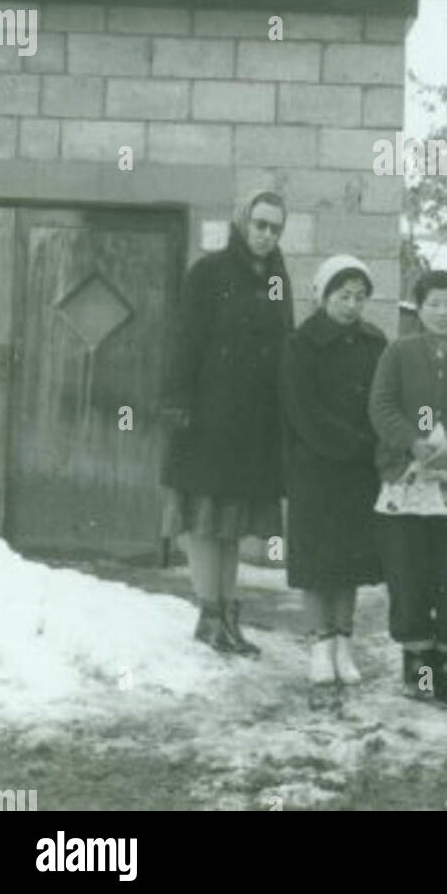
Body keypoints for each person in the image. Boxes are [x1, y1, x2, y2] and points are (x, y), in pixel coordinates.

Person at [161, 190, 294, 656]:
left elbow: (285, 341)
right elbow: (186, 340)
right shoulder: (209, 272)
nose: (266, 235)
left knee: (232, 521)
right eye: (260, 224)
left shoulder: (277, 278)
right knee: (204, 516)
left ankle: (225, 612)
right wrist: (178, 402)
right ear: (242, 222)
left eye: (275, 227)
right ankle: (209, 614)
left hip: (255, 423)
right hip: (208, 417)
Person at [369, 270, 447, 706]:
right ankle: (419, 676)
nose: (443, 313)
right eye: (434, 304)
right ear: (418, 309)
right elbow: (381, 405)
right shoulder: (399, 353)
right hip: (405, 485)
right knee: (410, 578)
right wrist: (412, 442)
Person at [283, 256, 387, 690]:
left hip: (360, 469)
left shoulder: (374, 342)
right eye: (342, 296)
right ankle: (319, 646)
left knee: (350, 561)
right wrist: (349, 443)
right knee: (316, 562)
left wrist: (374, 443)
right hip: (315, 466)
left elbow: (384, 397)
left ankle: (344, 642)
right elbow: (301, 408)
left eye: (359, 297)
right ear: (323, 296)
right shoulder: (301, 344)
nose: (350, 305)